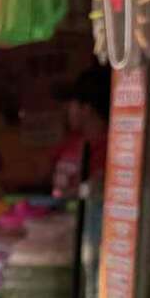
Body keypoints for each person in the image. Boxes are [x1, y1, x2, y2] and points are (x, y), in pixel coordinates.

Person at [50, 64, 110, 199]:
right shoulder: (69, 142)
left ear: (86, 108)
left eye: (72, 104)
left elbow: (97, 191)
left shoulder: (110, 149)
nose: (68, 110)